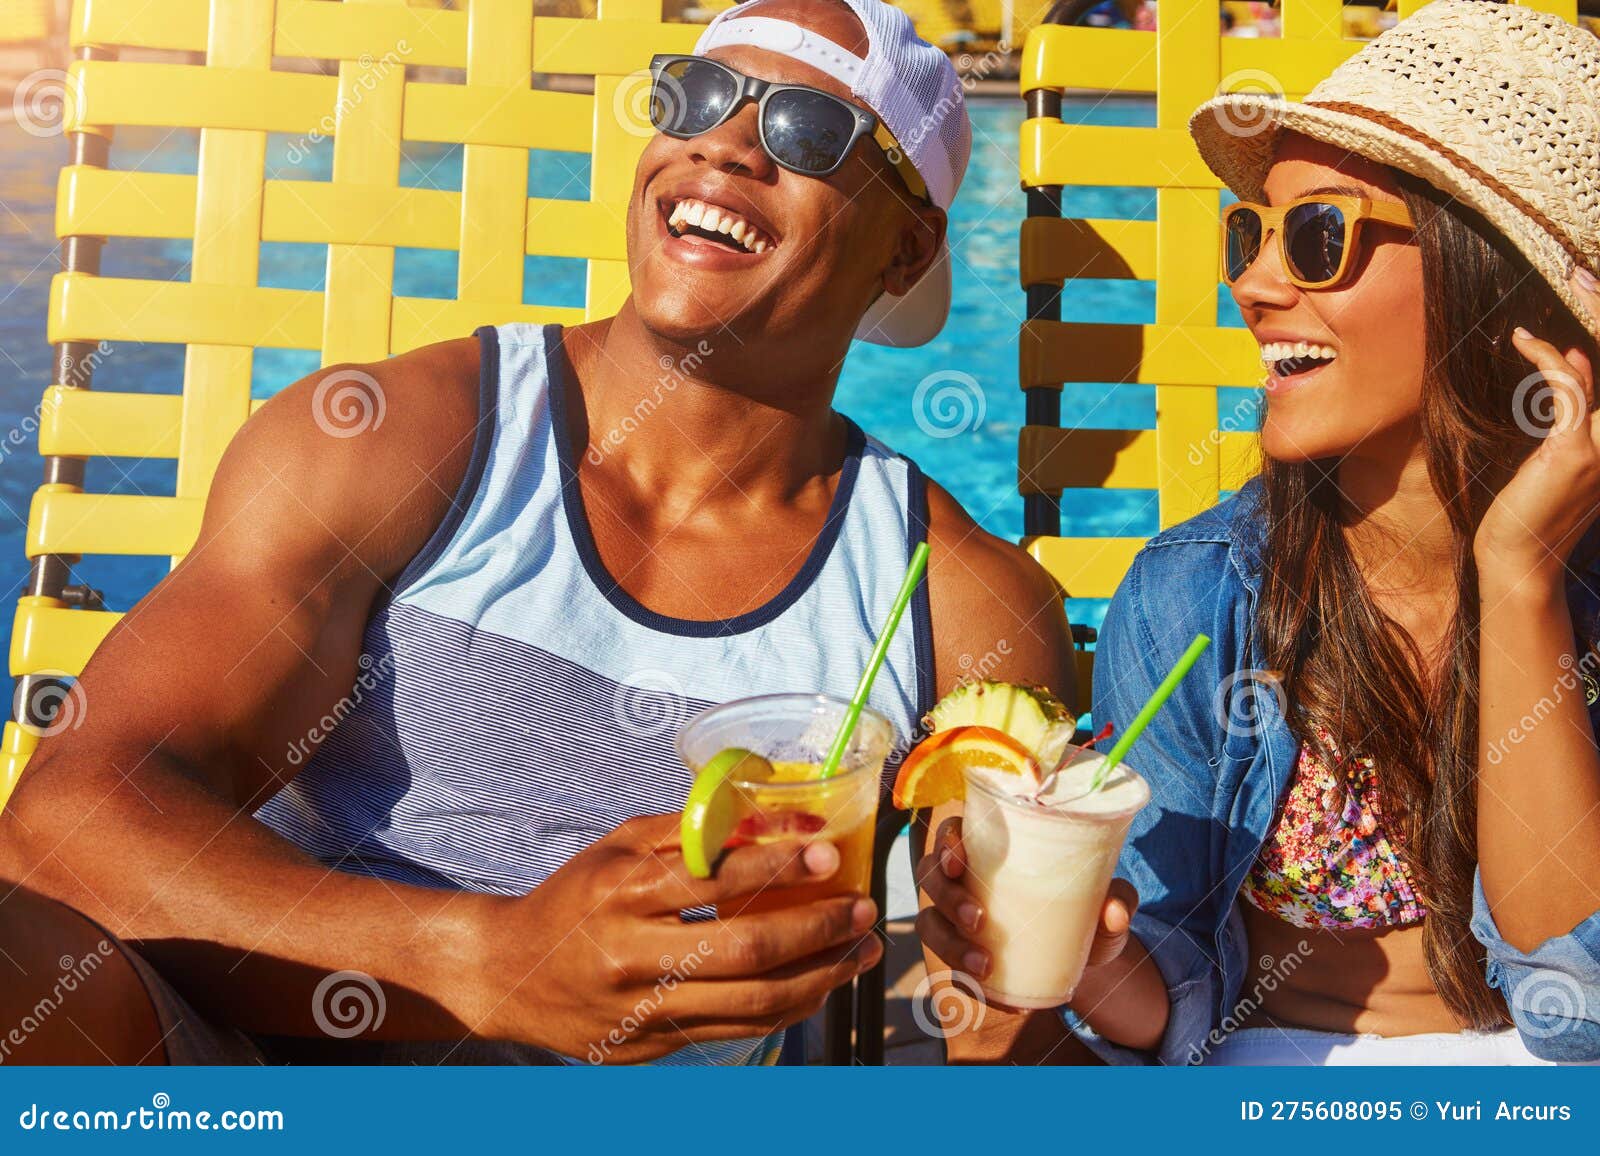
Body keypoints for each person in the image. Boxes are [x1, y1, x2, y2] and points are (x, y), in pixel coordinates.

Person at [0, 0, 1075, 1066]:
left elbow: (1003, 1028)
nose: (725, 144)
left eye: (805, 128)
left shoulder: (956, 599)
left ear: (904, 248)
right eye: (696, 96)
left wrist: (1021, 984)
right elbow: (62, 825)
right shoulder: (388, 443)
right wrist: (489, 960)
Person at [917, 0, 1600, 1064]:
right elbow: (1169, 969)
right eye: (1251, 231)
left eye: (1318, 235)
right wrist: (1089, 961)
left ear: (1489, 279)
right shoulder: (1198, 597)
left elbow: (1577, 1010)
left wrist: (1519, 582)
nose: (1253, 283)